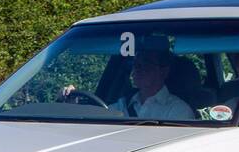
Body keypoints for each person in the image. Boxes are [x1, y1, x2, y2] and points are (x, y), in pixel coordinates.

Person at [63, 49, 195, 120]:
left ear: (163, 71)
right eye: (135, 64)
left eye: (145, 64)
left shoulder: (178, 111)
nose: (137, 69)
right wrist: (73, 105)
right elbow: (96, 120)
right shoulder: (122, 105)